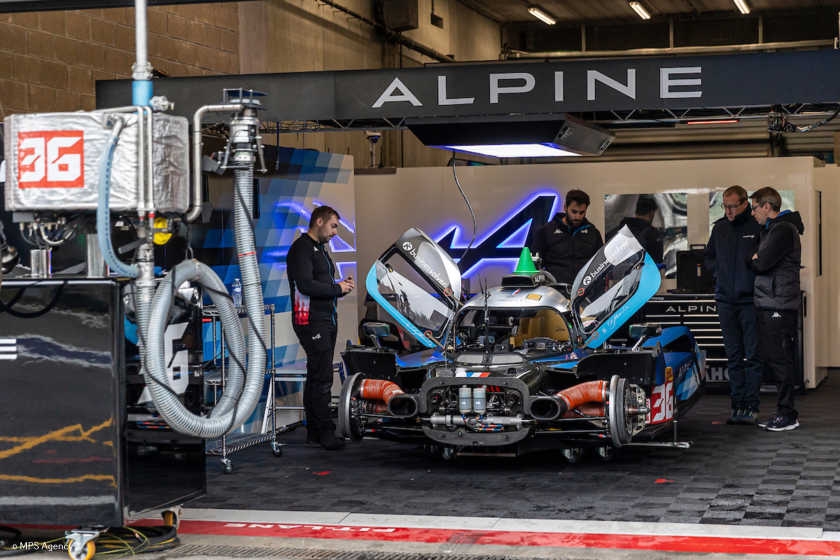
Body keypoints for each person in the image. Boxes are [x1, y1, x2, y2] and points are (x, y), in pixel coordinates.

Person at [286, 205, 354, 450]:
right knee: (322, 376)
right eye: (333, 226)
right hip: (311, 321)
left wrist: (339, 287)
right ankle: (324, 431)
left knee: (317, 374)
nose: (335, 232)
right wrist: (337, 289)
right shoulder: (301, 249)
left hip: (326, 319)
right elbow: (305, 285)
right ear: (318, 221)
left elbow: (319, 284)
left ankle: (315, 431)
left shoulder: (319, 250)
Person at [704, 185, 762, 425]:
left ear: (744, 203)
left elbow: (765, 260)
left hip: (749, 301)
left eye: (732, 206)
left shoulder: (756, 227)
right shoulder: (719, 228)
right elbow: (709, 257)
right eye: (725, 206)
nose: (728, 211)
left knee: (753, 356)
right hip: (725, 300)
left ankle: (752, 406)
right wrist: (718, 274)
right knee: (733, 356)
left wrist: (751, 278)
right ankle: (737, 405)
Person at [749, 187, 804, 432]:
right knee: (776, 359)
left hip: (778, 304)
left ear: (767, 206)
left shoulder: (782, 230)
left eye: (754, 207)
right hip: (772, 302)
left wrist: (755, 258)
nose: (752, 213)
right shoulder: (772, 230)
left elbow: (760, 263)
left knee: (781, 360)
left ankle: (788, 414)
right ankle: (785, 412)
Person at [532, 189, 603, 286]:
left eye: (582, 212)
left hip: (585, 290)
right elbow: (534, 264)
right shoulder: (546, 232)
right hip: (553, 290)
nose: (577, 216)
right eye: (574, 212)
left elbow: (600, 264)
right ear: (565, 207)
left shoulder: (593, 233)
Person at [607, 195, 664, 265]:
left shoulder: (617, 231)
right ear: (651, 213)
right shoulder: (654, 235)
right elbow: (658, 263)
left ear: (636, 211)